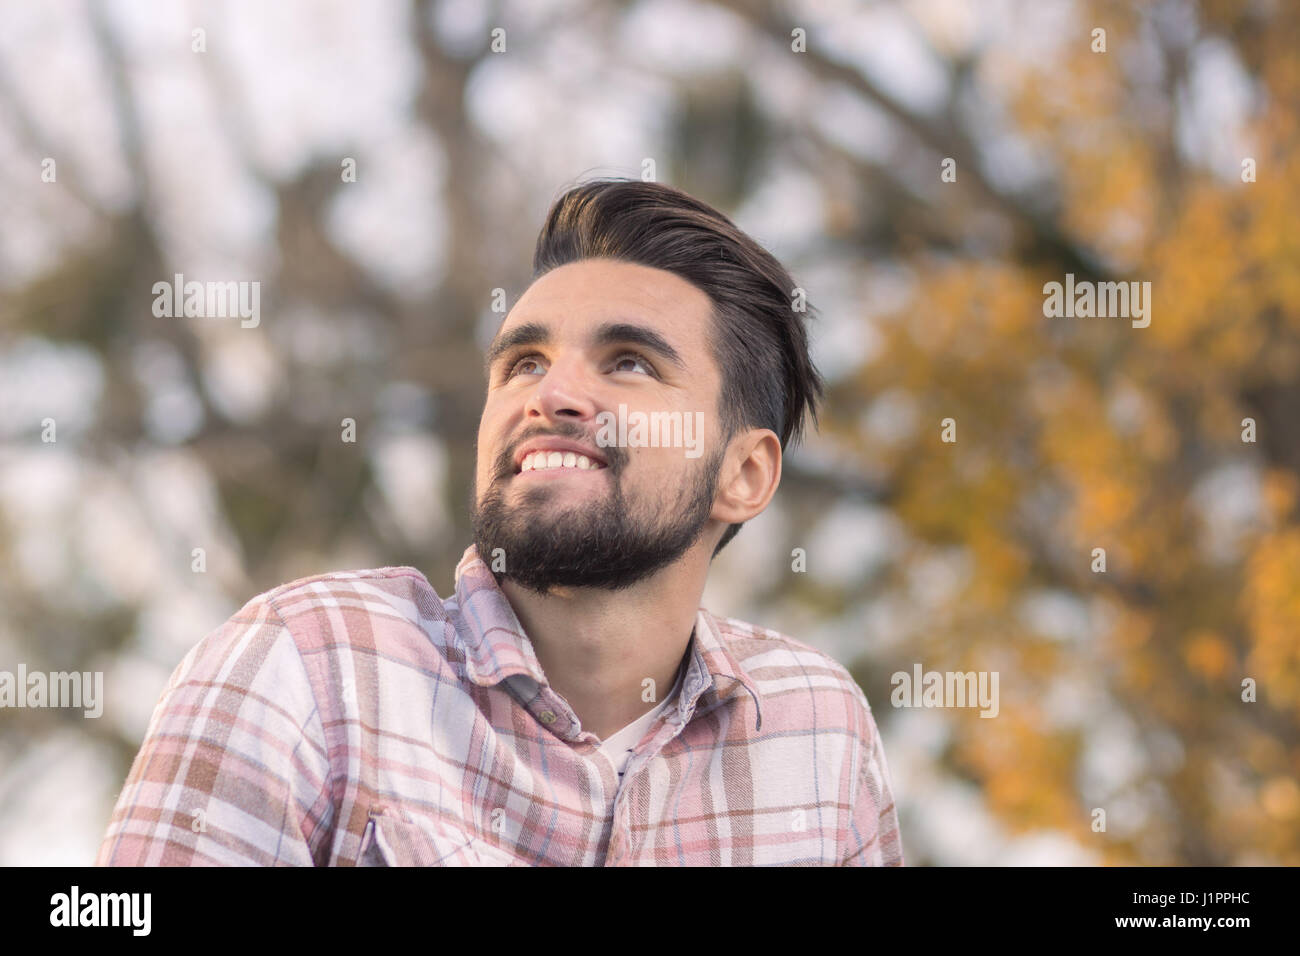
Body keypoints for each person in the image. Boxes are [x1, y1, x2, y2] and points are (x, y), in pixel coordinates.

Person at [95, 178, 904, 866]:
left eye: (629, 362)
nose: (548, 396)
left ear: (744, 473)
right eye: (524, 363)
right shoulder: (308, 664)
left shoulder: (817, 727)